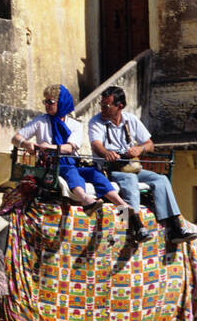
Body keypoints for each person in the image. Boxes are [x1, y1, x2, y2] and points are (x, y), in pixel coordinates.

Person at [13, 85, 142, 224]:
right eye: (45, 102)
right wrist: (25, 144)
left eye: (51, 102)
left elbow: (70, 148)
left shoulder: (75, 125)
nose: (47, 105)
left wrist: (49, 146)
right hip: (50, 165)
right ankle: (85, 200)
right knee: (71, 171)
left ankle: (123, 207)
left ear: (61, 102)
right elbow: (16, 138)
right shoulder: (40, 122)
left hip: (72, 162)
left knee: (95, 174)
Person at [88, 86, 196, 244]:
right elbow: (96, 144)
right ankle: (136, 225)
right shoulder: (96, 121)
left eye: (107, 105)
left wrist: (140, 148)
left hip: (131, 165)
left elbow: (150, 144)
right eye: (102, 105)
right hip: (109, 168)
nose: (103, 109)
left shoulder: (130, 120)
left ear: (120, 106)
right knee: (129, 180)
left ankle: (174, 226)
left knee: (161, 180)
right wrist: (106, 153)